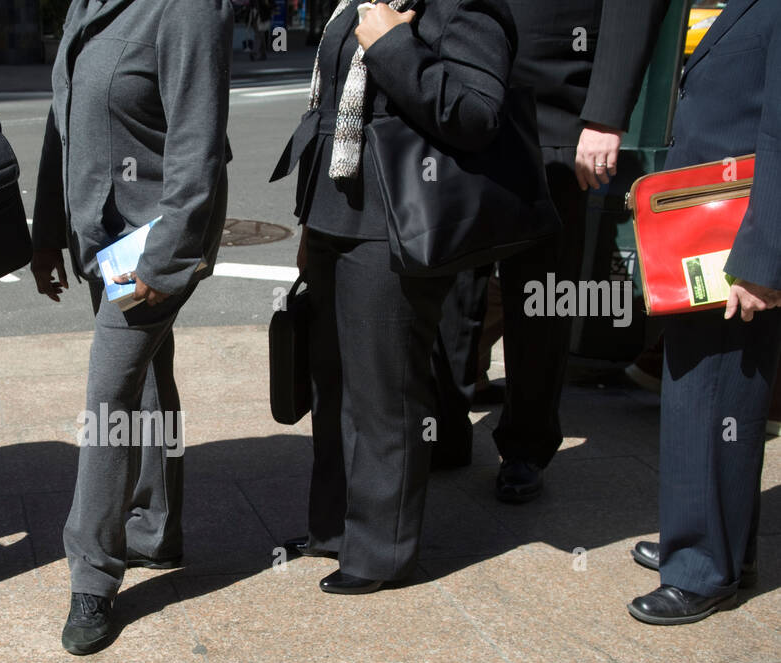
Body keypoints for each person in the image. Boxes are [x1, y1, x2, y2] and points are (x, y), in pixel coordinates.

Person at [272, 0, 514, 595]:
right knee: (331, 385)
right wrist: (310, 225)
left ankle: (381, 550)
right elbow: (329, 113)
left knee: (384, 391)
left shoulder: (463, 8)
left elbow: (478, 114)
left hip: (395, 221)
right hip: (335, 214)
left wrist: (393, 48)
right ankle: (333, 527)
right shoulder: (358, 1)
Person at [30, 0, 232, 655]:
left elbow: (198, 144)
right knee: (146, 376)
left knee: (108, 390)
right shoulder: (88, 6)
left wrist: (167, 258)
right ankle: (154, 526)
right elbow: (63, 117)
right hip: (101, 232)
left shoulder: (187, 9)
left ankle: (92, 577)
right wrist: (46, 229)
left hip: (151, 240)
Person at [434, 0, 668, 496]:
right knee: (449, 280)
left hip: (555, 102)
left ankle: (526, 445)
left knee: (541, 293)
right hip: (453, 86)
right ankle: (443, 429)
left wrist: (605, 114)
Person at [628, 0, 781, 625]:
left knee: (711, 391)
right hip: (711, 225)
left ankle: (701, 569)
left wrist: (764, 255)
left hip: (739, 232)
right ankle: (719, 545)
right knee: (709, 391)